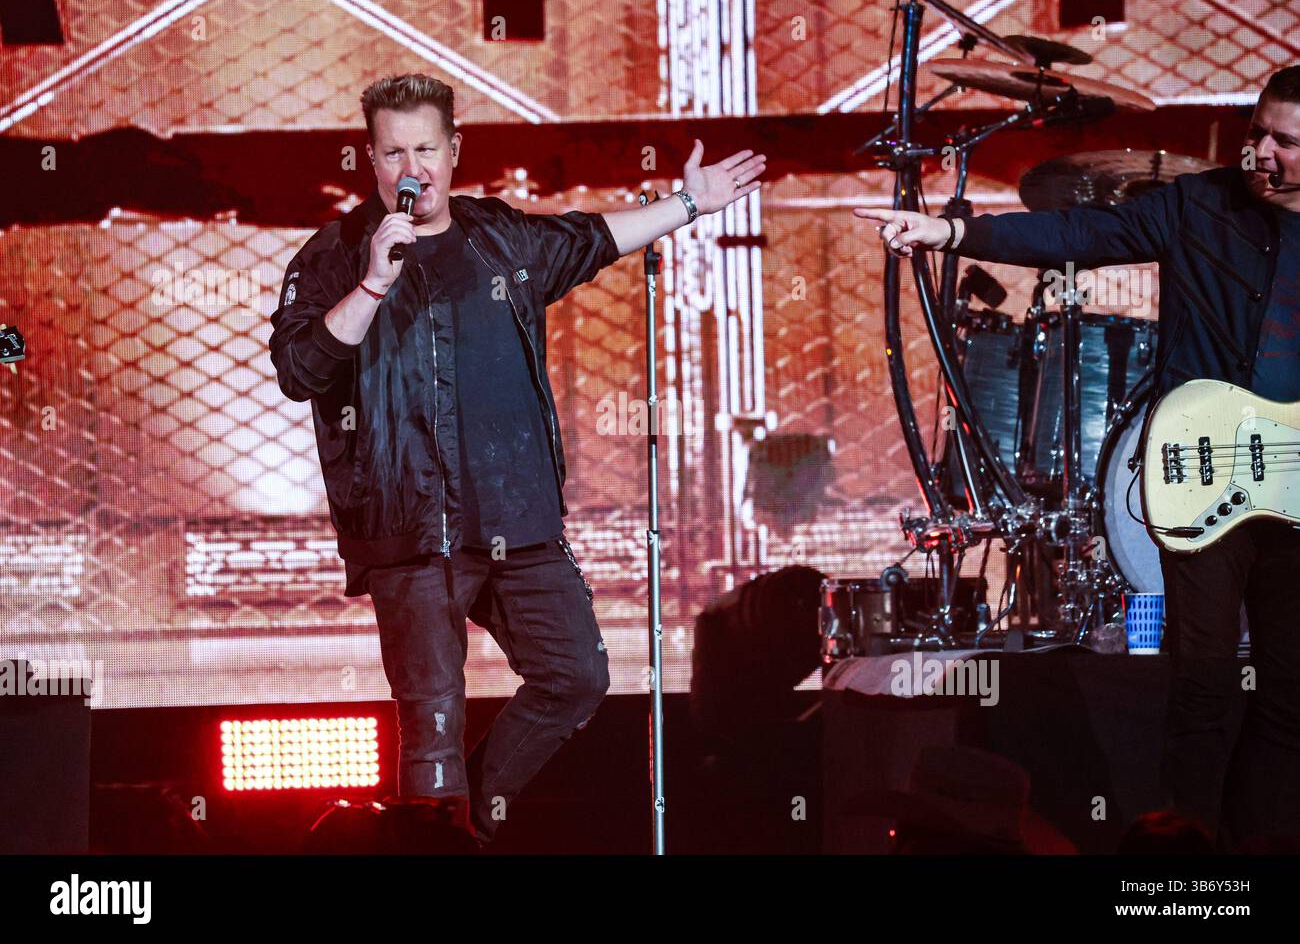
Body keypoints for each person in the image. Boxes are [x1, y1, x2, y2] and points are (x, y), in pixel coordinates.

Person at [269, 73, 765, 846]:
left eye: (426, 148)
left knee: (575, 676)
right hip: (410, 529)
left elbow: (594, 237)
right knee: (432, 722)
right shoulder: (338, 253)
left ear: (454, 151)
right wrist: (372, 283)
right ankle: (440, 818)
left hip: (516, 517)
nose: (413, 167)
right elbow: (298, 370)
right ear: (371, 159)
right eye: (394, 151)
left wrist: (689, 204)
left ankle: (461, 822)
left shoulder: (501, 237)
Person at [853, 65, 1300, 848]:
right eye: (1255, 131)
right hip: (1207, 475)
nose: (1260, 152)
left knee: (1289, 696)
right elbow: (1080, 235)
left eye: (1285, 142)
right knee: (1201, 684)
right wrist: (953, 230)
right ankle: (1189, 872)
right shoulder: (1200, 204)